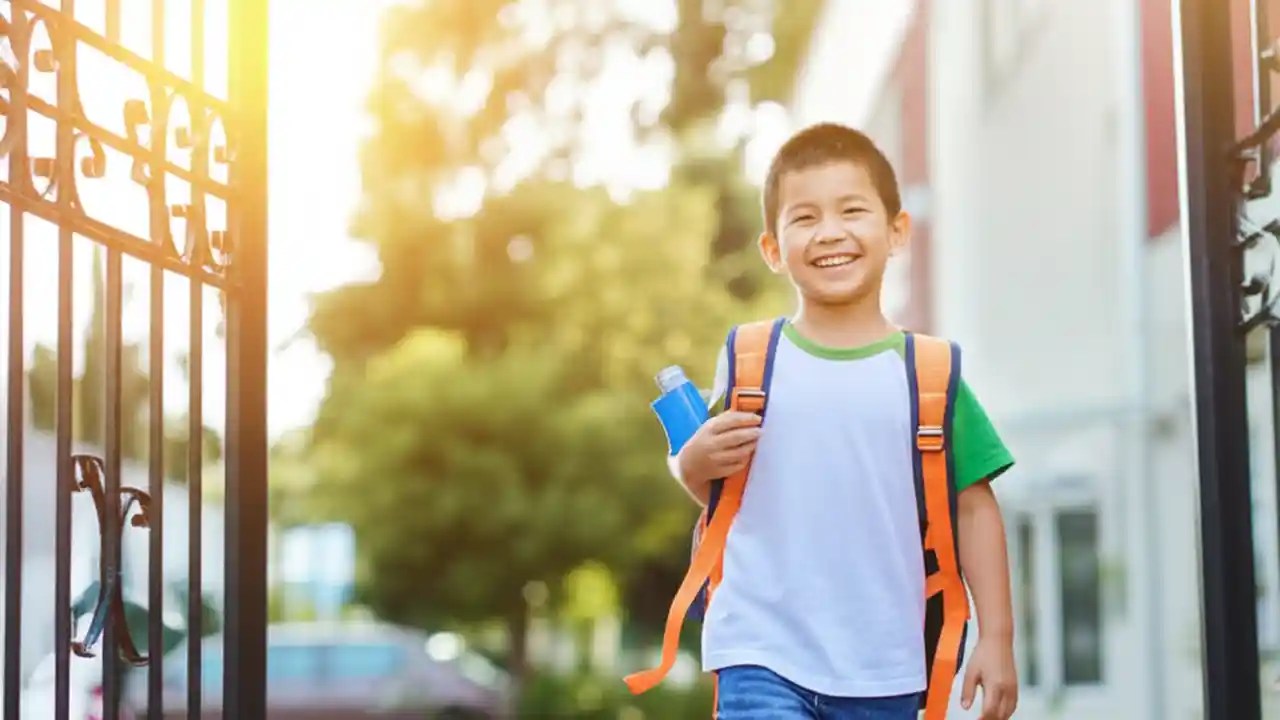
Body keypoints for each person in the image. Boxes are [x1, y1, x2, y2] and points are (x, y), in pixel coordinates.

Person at [669, 123, 1018, 719]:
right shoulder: (752, 360)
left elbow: (974, 508)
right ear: (773, 250)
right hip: (760, 647)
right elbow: (720, 488)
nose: (829, 232)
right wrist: (689, 464)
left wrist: (998, 639)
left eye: (851, 211)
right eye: (803, 218)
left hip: (886, 661)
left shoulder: (930, 374)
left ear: (896, 231)